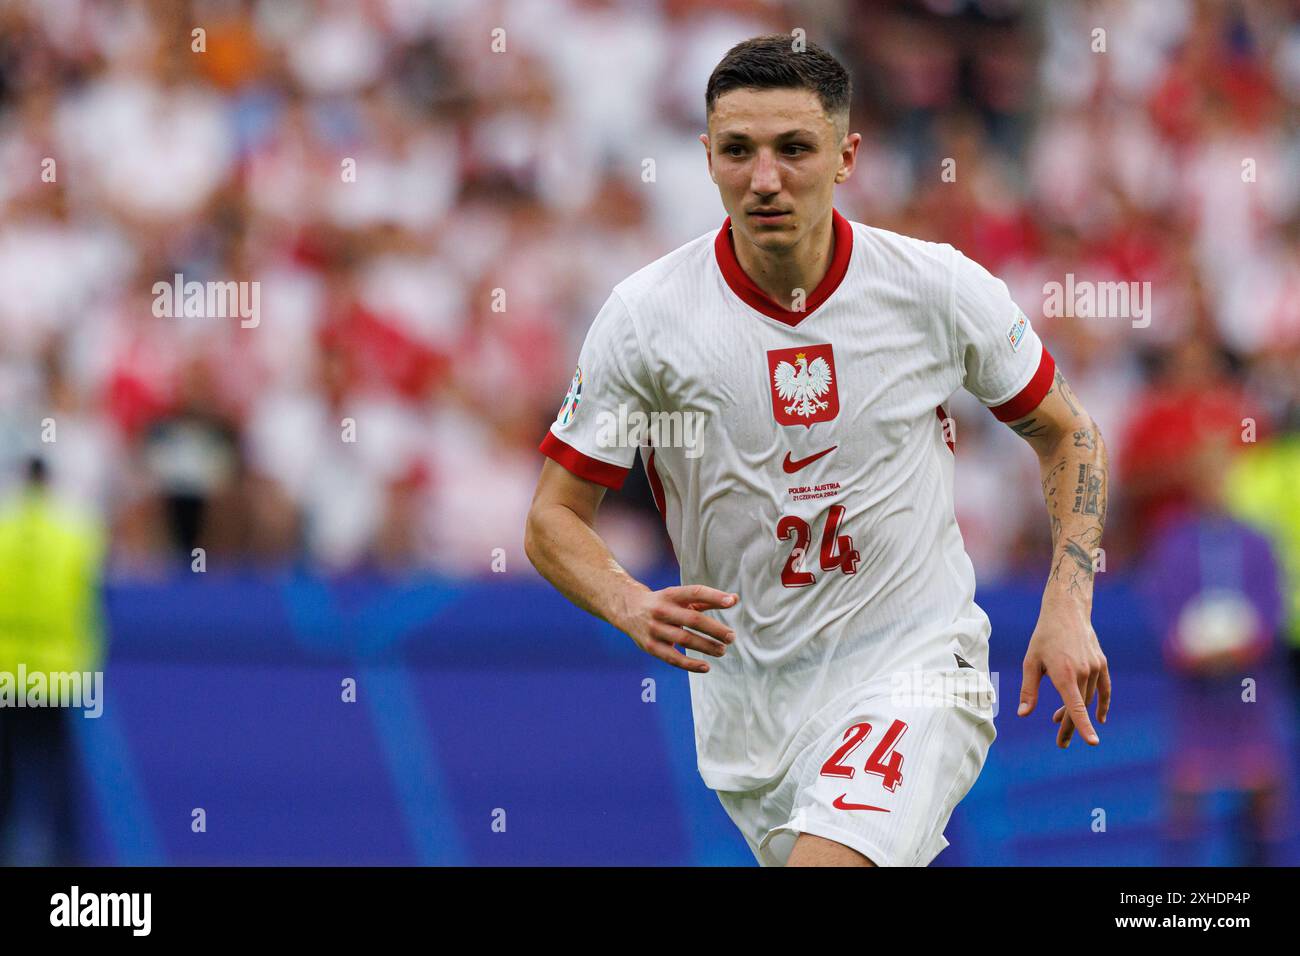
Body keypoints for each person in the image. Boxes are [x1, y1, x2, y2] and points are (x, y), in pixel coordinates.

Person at [524, 35, 1110, 867]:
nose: (765, 178)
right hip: (750, 713)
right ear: (707, 157)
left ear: (846, 155)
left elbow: (1069, 431)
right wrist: (626, 600)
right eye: (739, 151)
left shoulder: (933, 289)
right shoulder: (646, 319)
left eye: (794, 149)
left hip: (916, 669)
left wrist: (1069, 602)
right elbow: (553, 517)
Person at [0, 457, 107, 865]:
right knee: (57, 772)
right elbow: (91, 598)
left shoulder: (4, 533)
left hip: (7, 672)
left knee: (7, 773)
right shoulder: (74, 535)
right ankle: (66, 856)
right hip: (56, 673)